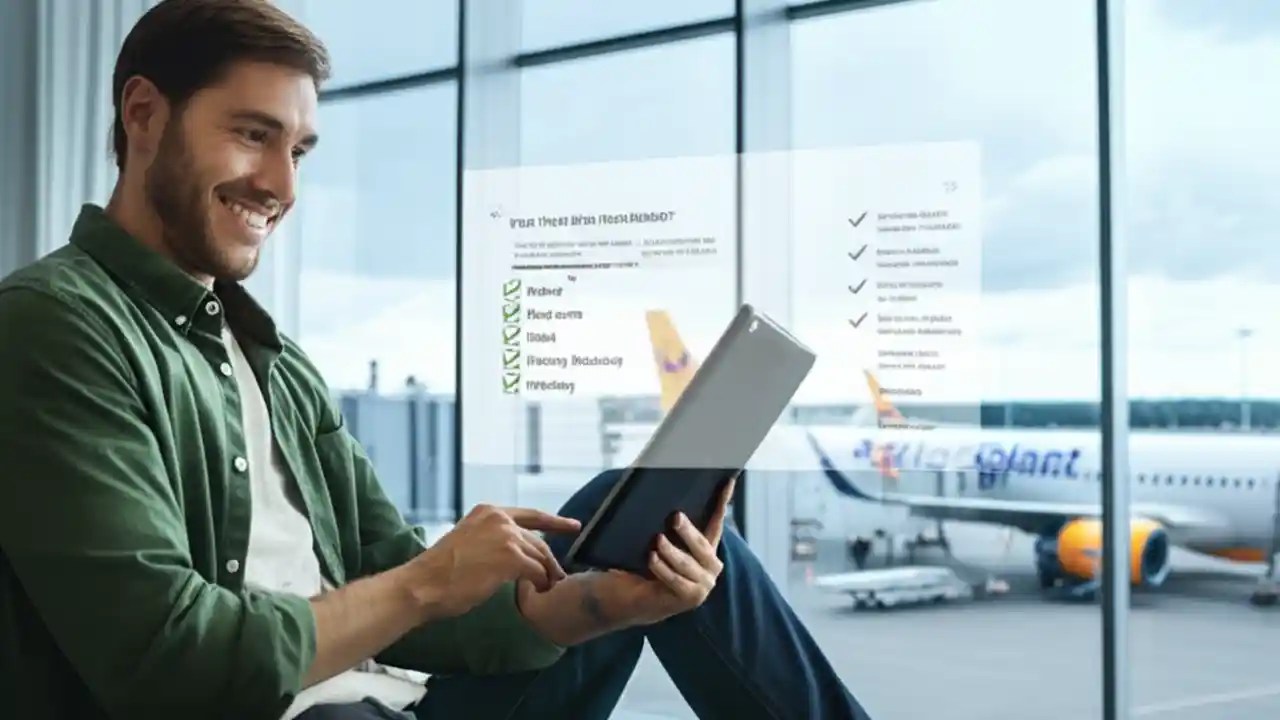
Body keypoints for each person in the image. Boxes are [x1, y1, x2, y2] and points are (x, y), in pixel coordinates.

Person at [0, 1, 871, 719]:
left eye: (297, 150)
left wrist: (607, 606)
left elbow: (398, 593)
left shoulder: (275, 363)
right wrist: (426, 581)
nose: (283, 185)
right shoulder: (55, 328)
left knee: (641, 530)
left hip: (397, 706)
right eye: (252, 135)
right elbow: (168, 663)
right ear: (144, 115)